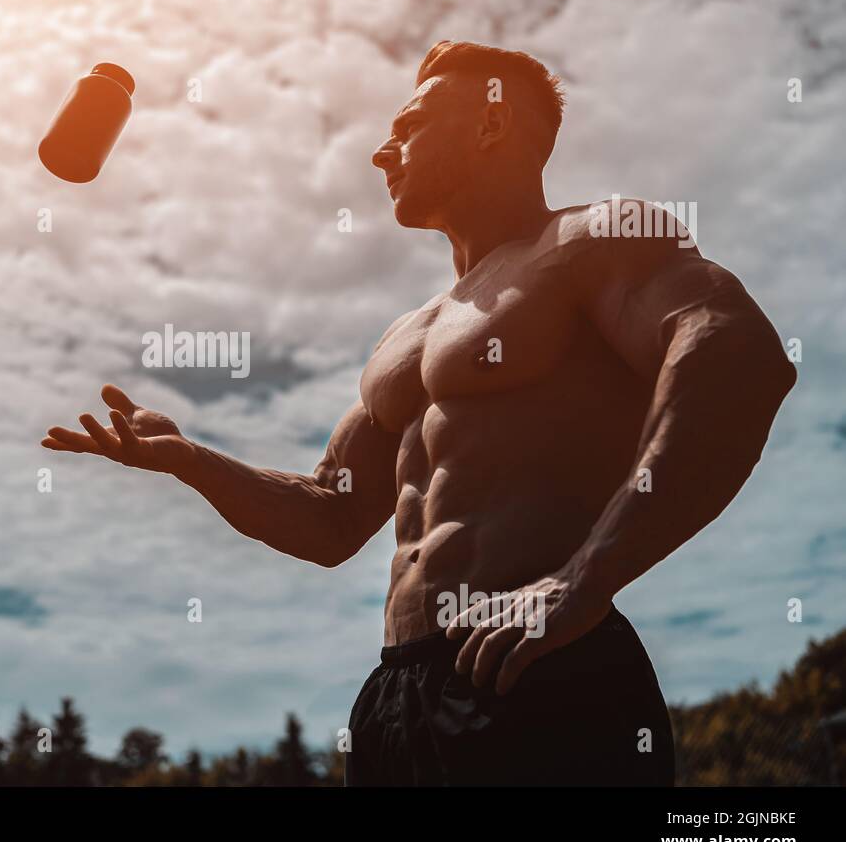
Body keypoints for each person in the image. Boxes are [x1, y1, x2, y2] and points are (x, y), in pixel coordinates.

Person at [42, 41, 796, 785]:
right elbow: (330, 518)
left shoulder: (591, 239)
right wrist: (192, 459)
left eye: (408, 127)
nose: (381, 153)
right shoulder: (409, 336)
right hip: (395, 700)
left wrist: (583, 581)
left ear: (492, 125)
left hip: (535, 670)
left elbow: (732, 353)